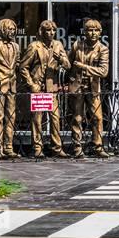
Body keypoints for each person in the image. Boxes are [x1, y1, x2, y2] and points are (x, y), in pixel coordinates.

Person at [19, 19, 69, 157]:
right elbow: (23, 67)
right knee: (37, 119)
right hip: (38, 87)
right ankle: (37, 147)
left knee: (55, 118)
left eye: (53, 30)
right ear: (42, 31)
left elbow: (68, 65)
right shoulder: (35, 46)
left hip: (51, 87)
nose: (51, 33)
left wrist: (61, 60)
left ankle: (57, 147)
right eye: (48, 30)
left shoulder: (58, 45)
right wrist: (31, 84)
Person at [68, 19, 111, 158]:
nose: (93, 33)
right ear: (85, 32)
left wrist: (83, 67)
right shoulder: (77, 46)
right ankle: (77, 147)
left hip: (93, 87)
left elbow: (103, 72)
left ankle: (97, 146)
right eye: (90, 30)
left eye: (96, 30)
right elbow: (68, 64)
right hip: (78, 86)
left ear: (100, 32)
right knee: (77, 118)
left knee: (97, 118)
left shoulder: (103, 49)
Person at [0, 19, 21, 159]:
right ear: (2, 29)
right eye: (9, 29)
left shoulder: (16, 46)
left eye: (13, 29)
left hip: (12, 85)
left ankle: (8, 146)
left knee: (11, 116)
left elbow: (17, 63)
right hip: (0, 84)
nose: (12, 32)